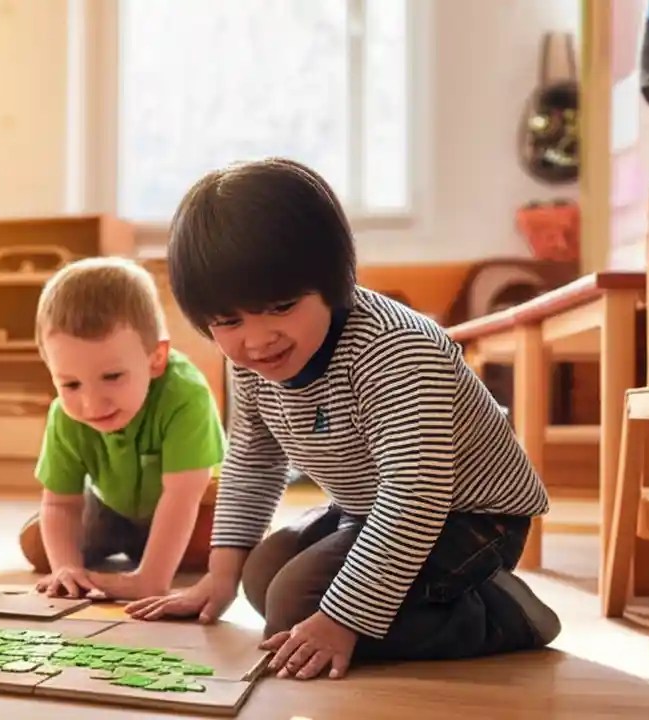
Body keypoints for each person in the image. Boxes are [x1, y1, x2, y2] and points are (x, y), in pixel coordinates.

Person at [124, 158, 561, 680]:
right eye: (229, 321)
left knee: (296, 605)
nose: (258, 339)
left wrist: (342, 620)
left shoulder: (395, 348)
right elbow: (252, 460)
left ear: (333, 282)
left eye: (282, 306)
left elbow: (416, 493)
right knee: (261, 576)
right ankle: (392, 600)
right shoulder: (252, 358)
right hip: (370, 506)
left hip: (471, 517)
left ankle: (502, 614)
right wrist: (217, 579)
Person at [21, 257, 225, 601]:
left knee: (230, 545)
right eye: (70, 384)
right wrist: (65, 569)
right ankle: (134, 543)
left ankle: (151, 552)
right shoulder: (65, 414)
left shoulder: (185, 394)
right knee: (37, 544)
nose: (92, 404)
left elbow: (182, 495)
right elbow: (60, 504)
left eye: (112, 377)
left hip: (195, 503)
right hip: (112, 507)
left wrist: (151, 580)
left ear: (155, 358)